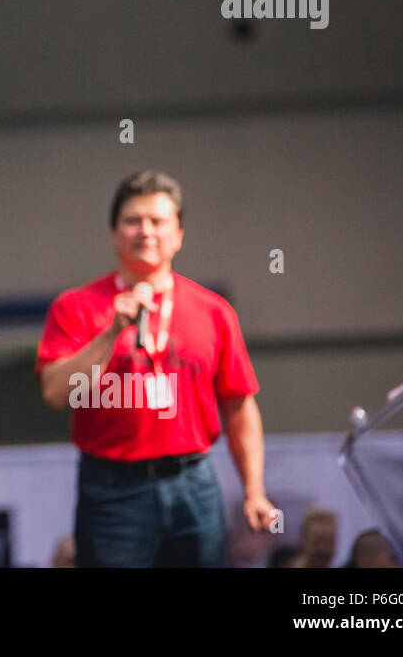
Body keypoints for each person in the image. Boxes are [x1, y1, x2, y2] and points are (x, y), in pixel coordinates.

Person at [36, 169, 276, 567]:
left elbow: (239, 405)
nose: (145, 231)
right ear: (113, 234)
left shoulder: (213, 311)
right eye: (132, 221)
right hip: (112, 488)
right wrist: (112, 332)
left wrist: (254, 490)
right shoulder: (75, 308)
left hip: (193, 482)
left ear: (179, 235)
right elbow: (55, 393)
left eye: (158, 221)